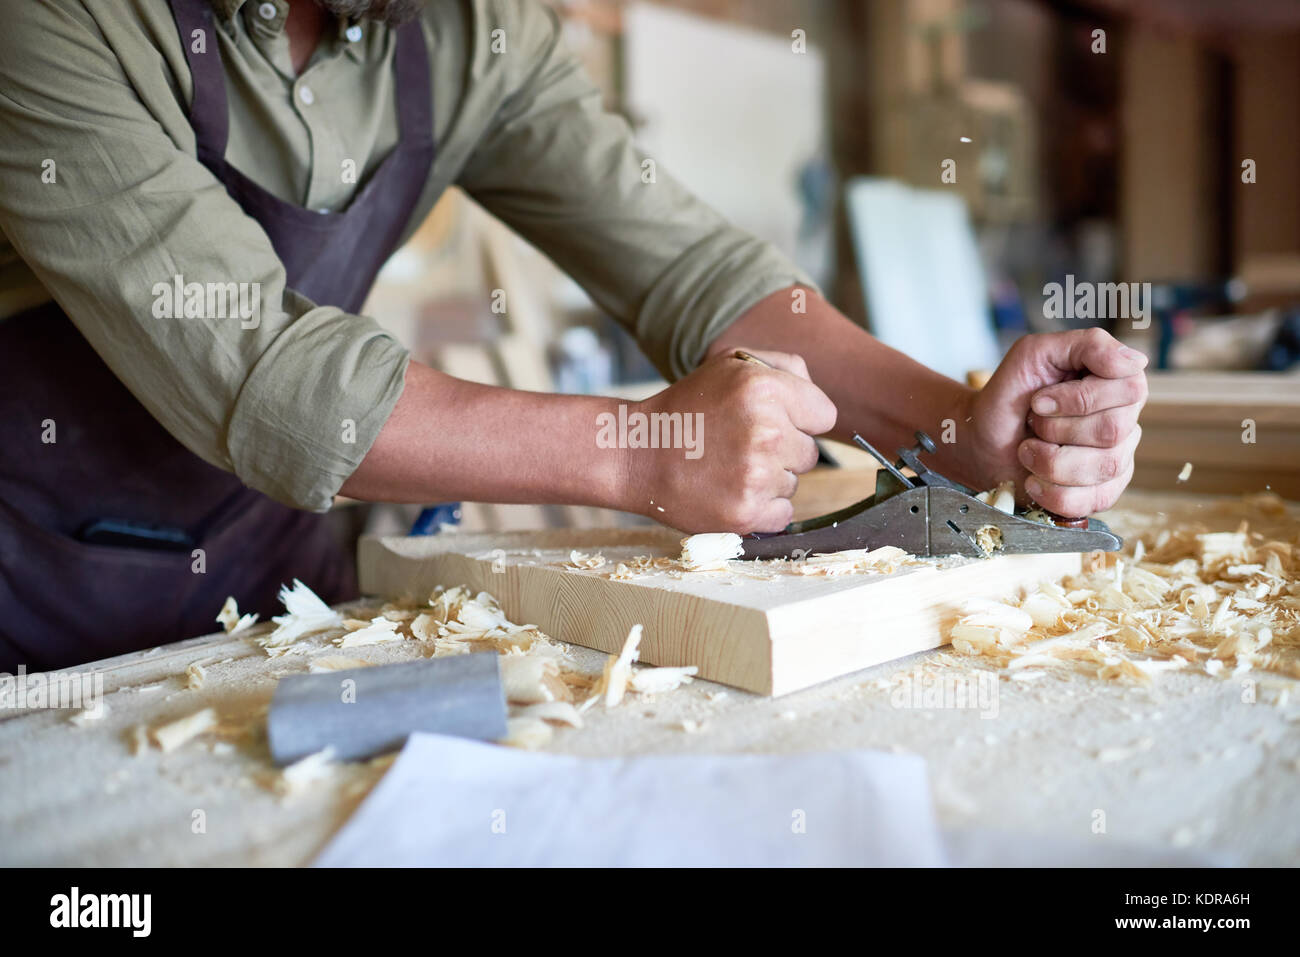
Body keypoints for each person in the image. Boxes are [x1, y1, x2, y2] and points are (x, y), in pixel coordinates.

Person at [0, 0, 1146, 671]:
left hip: (274, 581)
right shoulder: (52, 24)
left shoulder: (466, 30)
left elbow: (696, 271)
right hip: (32, 598)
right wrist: (644, 454)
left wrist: (957, 425)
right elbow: (257, 368)